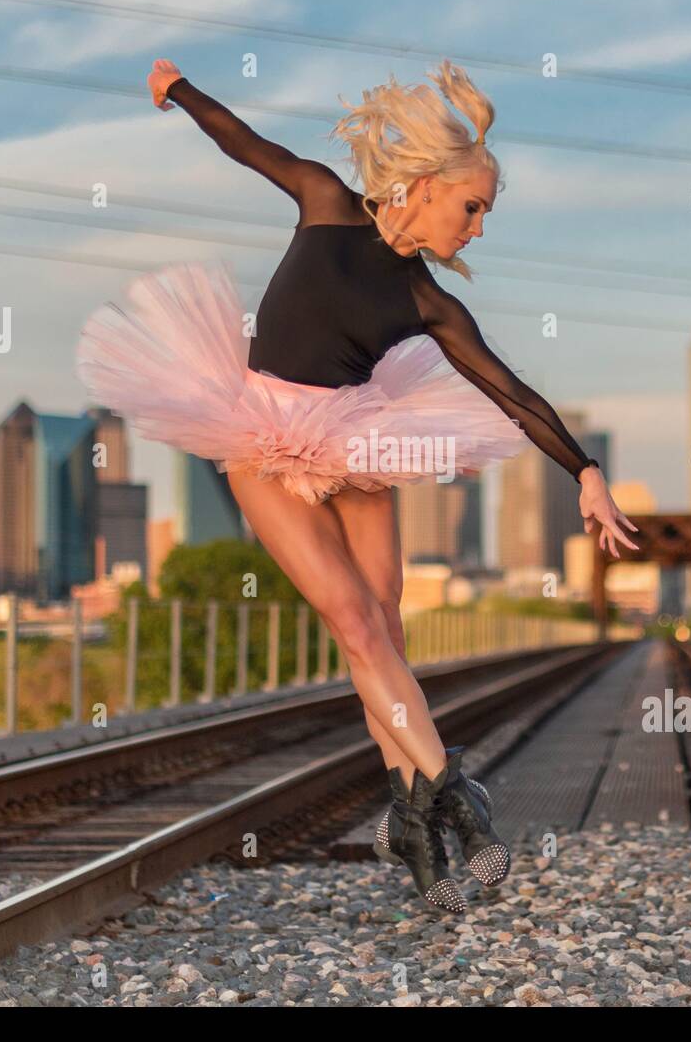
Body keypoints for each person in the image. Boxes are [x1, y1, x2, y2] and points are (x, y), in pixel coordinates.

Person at [77, 57, 640, 915]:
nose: (479, 228)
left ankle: (411, 814)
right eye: (474, 207)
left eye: (486, 213)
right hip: (263, 437)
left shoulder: (428, 300)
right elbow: (244, 143)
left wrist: (588, 473)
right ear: (422, 185)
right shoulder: (326, 202)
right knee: (352, 620)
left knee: (386, 624)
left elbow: (512, 393)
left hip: (353, 439)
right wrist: (179, 90)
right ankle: (455, 793)